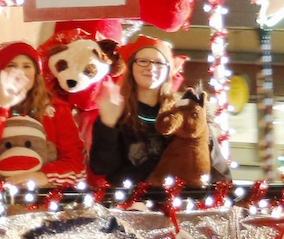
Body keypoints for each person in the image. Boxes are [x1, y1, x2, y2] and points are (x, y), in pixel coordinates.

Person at [89, 35, 230, 187]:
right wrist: (107, 124)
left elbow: (220, 175)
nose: (150, 67)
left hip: (181, 204)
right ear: (131, 67)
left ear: (169, 70)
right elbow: (101, 167)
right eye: (143, 61)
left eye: (159, 63)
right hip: (130, 206)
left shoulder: (186, 113)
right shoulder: (116, 112)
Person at [0, 41, 84, 190]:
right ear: (0, 72)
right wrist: (1, 105)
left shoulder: (57, 109)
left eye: (27, 66)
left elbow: (76, 165)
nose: (19, 72)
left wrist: (43, 177)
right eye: (11, 66)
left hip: (43, 199)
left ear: (36, 73)